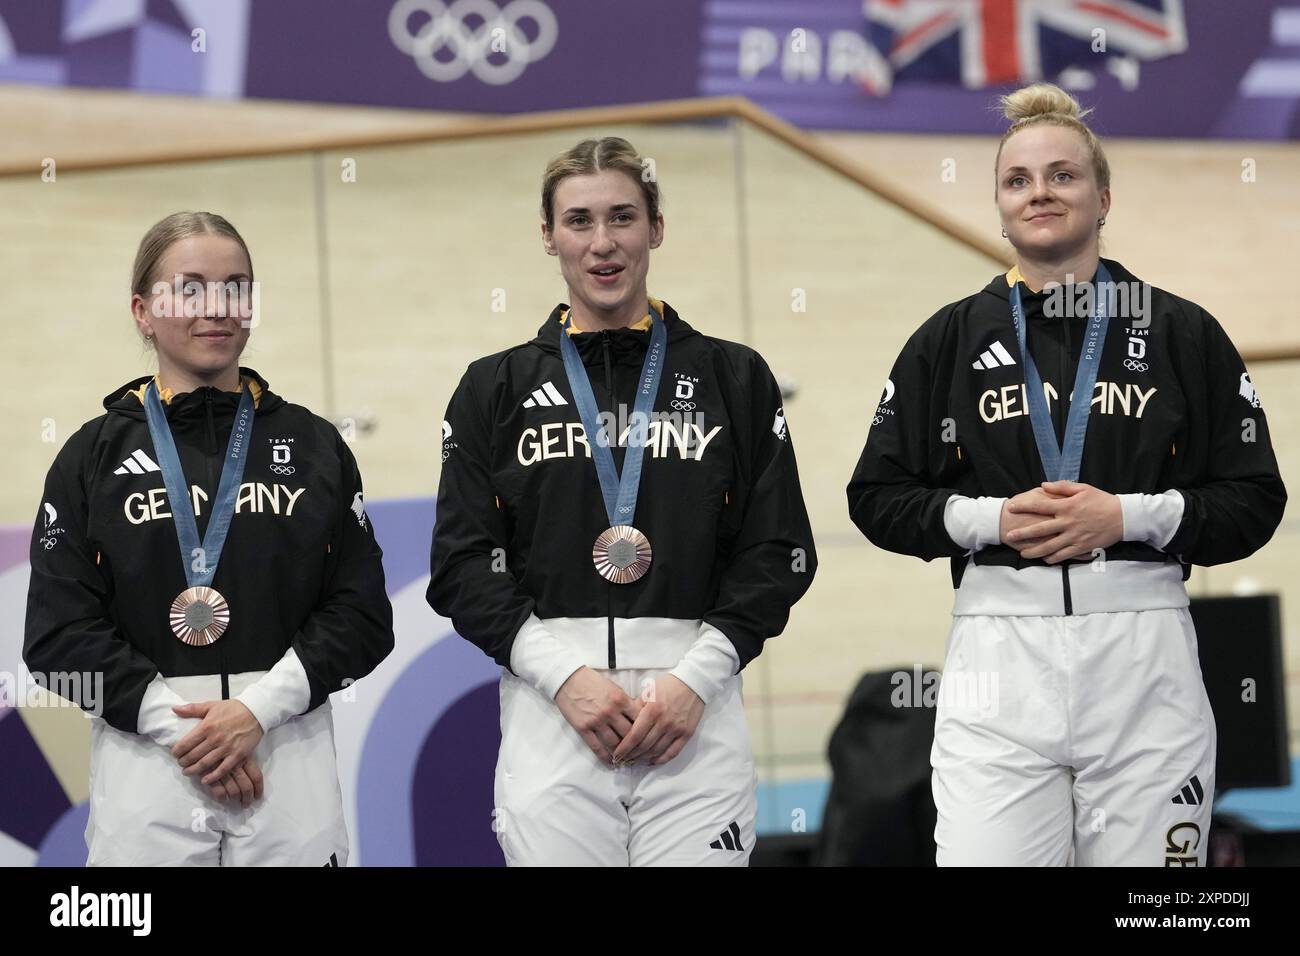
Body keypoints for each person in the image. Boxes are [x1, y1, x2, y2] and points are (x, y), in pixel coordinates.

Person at [847, 84, 1286, 866]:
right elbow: (878, 497)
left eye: (1062, 175)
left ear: (1103, 195)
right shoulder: (949, 337)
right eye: (1018, 180)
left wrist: (1128, 517)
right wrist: (989, 521)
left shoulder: (1182, 329)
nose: (1039, 193)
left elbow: (1254, 499)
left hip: (1144, 653)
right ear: (1000, 203)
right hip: (997, 654)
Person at [428, 137, 817, 866]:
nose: (602, 244)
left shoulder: (733, 376)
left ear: (656, 228)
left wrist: (695, 681)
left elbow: (779, 552)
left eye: (623, 217)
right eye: (579, 221)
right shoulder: (493, 388)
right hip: (553, 713)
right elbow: (460, 568)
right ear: (548, 236)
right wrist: (565, 679)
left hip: (696, 712)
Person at [24, 211, 394, 866]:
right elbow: (57, 636)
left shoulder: (314, 446)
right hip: (147, 770)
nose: (217, 308)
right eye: (189, 288)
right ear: (143, 311)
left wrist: (256, 712)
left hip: (288, 758)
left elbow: (362, 616)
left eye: (236, 287)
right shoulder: (90, 458)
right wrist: (184, 730)